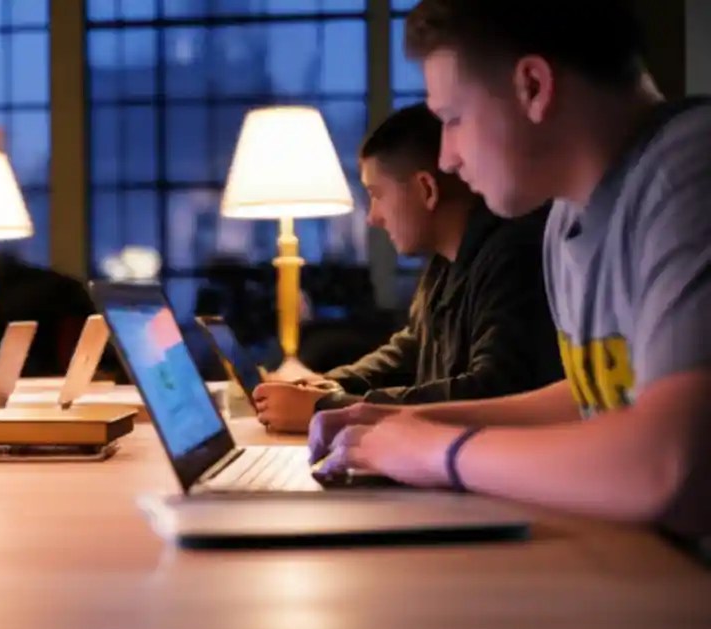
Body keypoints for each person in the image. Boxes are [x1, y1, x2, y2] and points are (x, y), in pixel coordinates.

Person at [310, 0, 711, 545]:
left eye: (452, 120)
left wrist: (434, 452)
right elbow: (599, 395)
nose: (446, 158)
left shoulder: (690, 176)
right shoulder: (567, 215)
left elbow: (666, 463)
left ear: (533, 87)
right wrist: (397, 423)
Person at [253, 103, 561, 433]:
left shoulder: (513, 257)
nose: (373, 217)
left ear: (426, 189)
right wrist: (329, 385)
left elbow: (490, 391)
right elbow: (412, 348)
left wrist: (328, 409)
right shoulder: (445, 260)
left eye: (377, 194)